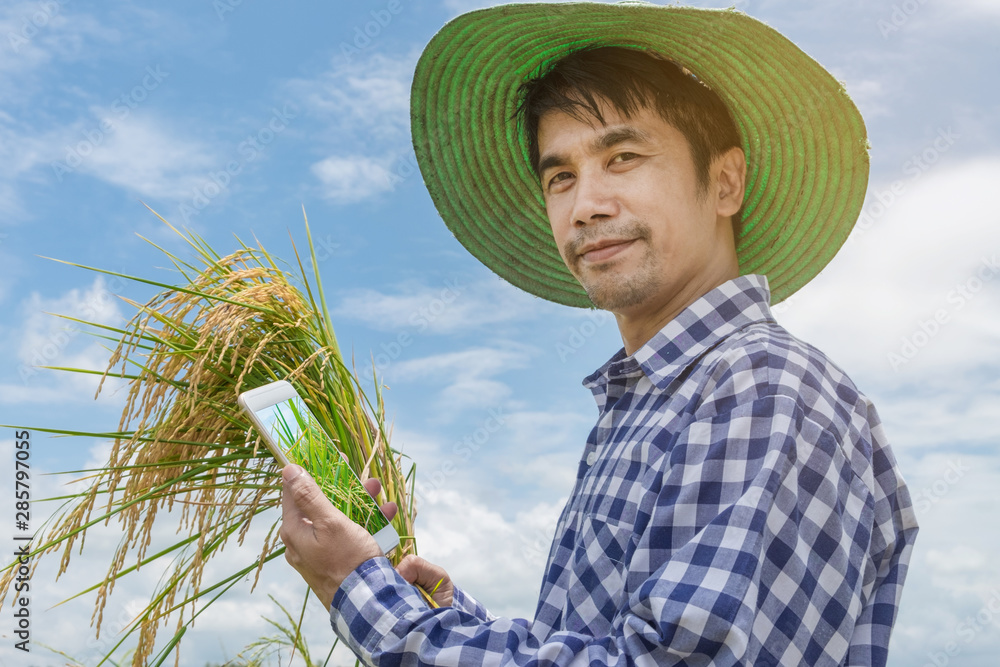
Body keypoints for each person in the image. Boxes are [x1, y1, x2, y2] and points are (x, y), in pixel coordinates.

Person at [279, 3, 919, 665]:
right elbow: (606, 644)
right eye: (561, 176)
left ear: (725, 181)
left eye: (624, 156)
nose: (586, 205)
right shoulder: (644, 403)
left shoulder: (766, 388)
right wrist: (436, 612)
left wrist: (357, 589)